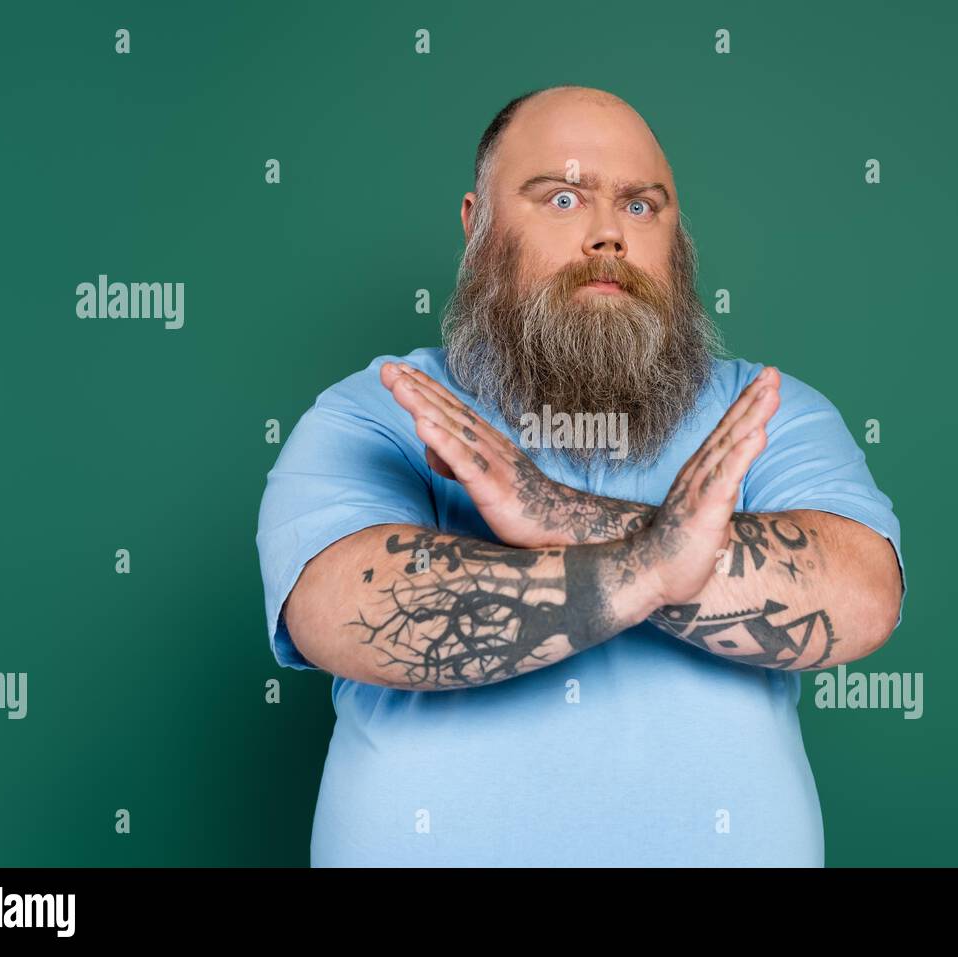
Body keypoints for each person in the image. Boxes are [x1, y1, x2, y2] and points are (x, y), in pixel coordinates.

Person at [255, 85, 907, 866]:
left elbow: (860, 597)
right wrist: (658, 557)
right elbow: (342, 611)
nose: (608, 234)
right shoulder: (385, 411)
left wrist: (556, 512)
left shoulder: (763, 412)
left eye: (641, 207)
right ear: (477, 227)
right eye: (562, 198)